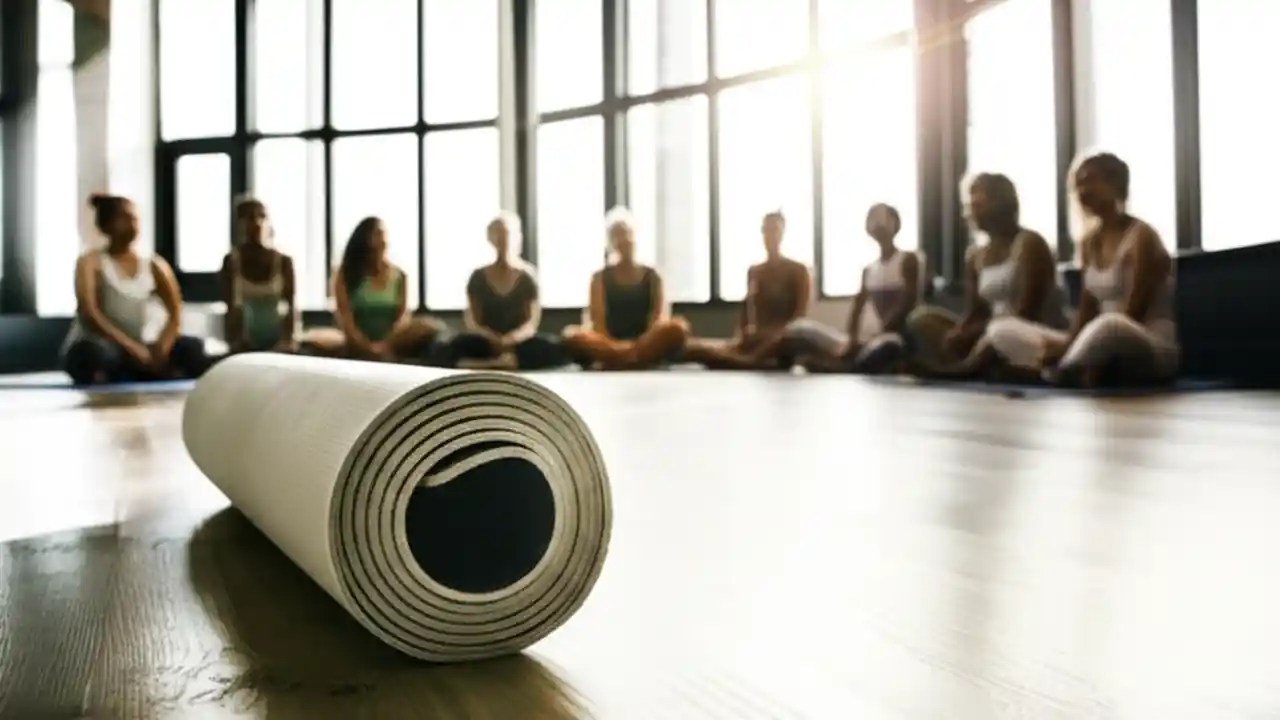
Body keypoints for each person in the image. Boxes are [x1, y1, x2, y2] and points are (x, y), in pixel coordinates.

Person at [903, 173, 1067, 380]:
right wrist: (961, 332)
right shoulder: (975, 255)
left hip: (1027, 330)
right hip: (989, 328)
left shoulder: (1029, 242)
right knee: (922, 319)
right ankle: (980, 365)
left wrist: (980, 331)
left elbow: (1028, 312)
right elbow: (975, 311)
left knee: (1002, 329)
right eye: (969, 205)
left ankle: (964, 370)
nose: (970, 211)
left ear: (1002, 203)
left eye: (978, 204)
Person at [1037, 152, 1178, 387]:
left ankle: (1057, 371)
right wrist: (1067, 342)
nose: (1083, 190)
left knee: (1111, 323)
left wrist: (1068, 349)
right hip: (1100, 339)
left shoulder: (1142, 236)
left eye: (1091, 180)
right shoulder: (1088, 242)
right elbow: (1086, 310)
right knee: (1004, 329)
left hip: (1147, 342)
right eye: (1079, 183)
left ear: (1116, 184)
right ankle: (1082, 368)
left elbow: (1135, 312)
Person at [62, 194, 213, 385]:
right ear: (106, 225)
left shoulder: (153, 264)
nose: (132, 224)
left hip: (143, 346)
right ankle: (136, 370)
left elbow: (175, 312)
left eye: (134, 218)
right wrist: (132, 348)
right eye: (124, 218)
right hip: (105, 344)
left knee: (192, 348)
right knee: (95, 355)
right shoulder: (91, 262)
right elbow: (90, 314)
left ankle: (147, 368)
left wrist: (163, 346)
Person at [778, 203, 920, 373]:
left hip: (894, 339)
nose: (878, 223)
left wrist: (878, 334)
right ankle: (843, 359)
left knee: (885, 347)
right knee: (800, 328)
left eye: (883, 218)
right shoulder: (869, 270)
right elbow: (857, 309)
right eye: (873, 218)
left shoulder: (907, 259)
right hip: (866, 340)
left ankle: (843, 366)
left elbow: (908, 303)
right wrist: (851, 341)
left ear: (896, 224)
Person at [561, 207, 689, 369]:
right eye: (618, 235)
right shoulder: (599, 278)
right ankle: (631, 358)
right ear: (611, 243)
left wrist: (640, 344)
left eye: (627, 233)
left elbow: (658, 319)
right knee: (572, 335)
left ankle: (622, 359)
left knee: (677, 328)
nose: (624, 240)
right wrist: (615, 346)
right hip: (609, 343)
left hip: (646, 342)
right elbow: (597, 322)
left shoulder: (653, 276)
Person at [683, 210, 812, 370]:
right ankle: (738, 359)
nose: (769, 235)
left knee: (748, 356)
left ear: (782, 233)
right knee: (694, 349)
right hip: (756, 338)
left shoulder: (798, 271)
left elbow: (800, 317)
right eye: (765, 230)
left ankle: (750, 361)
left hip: (783, 341)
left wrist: (774, 336)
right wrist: (741, 337)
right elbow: (747, 309)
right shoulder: (755, 271)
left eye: (774, 230)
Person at [305, 217, 442, 362]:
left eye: (383, 235)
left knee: (428, 327)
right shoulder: (345, 274)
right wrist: (366, 347)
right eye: (377, 234)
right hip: (356, 342)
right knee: (317, 340)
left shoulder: (400, 276)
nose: (382, 240)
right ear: (364, 240)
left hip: (392, 342)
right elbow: (345, 319)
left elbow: (402, 318)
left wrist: (386, 345)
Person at [444, 212, 567, 370]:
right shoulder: (478, 277)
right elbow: (473, 321)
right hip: (486, 341)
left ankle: (506, 362)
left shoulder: (527, 276)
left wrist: (511, 339)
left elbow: (531, 322)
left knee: (555, 350)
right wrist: (492, 339)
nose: (503, 241)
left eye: (507, 235)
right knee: (448, 348)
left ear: (516, 238)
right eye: (498, 235)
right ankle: (494, 364)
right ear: (490, 239)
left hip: (518, 342)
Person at [219, 197, 297, 353]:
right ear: (239, 224)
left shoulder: (283, 262)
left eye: (261, 217)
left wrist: (287, 341)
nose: (256, 223)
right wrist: (235, 343)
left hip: (279, 341)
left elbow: (291, 307)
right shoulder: (231, 262)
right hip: (243, 342)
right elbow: (230, 309)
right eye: (249, 218)